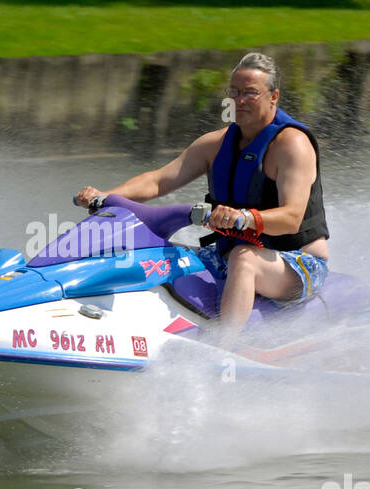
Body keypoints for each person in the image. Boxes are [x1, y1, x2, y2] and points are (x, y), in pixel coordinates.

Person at [74, 52, 329, 346]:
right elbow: (158, 180)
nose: (239, 100)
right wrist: (106, 196)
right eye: (233, 92)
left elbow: (292, 217)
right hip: (229, 254)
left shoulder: (291, 145)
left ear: (274, 96)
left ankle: (225, 348)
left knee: (243, 258)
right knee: (166, 254)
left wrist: (244, 217)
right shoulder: (216, 144)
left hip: (297, 263)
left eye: (250, 93)